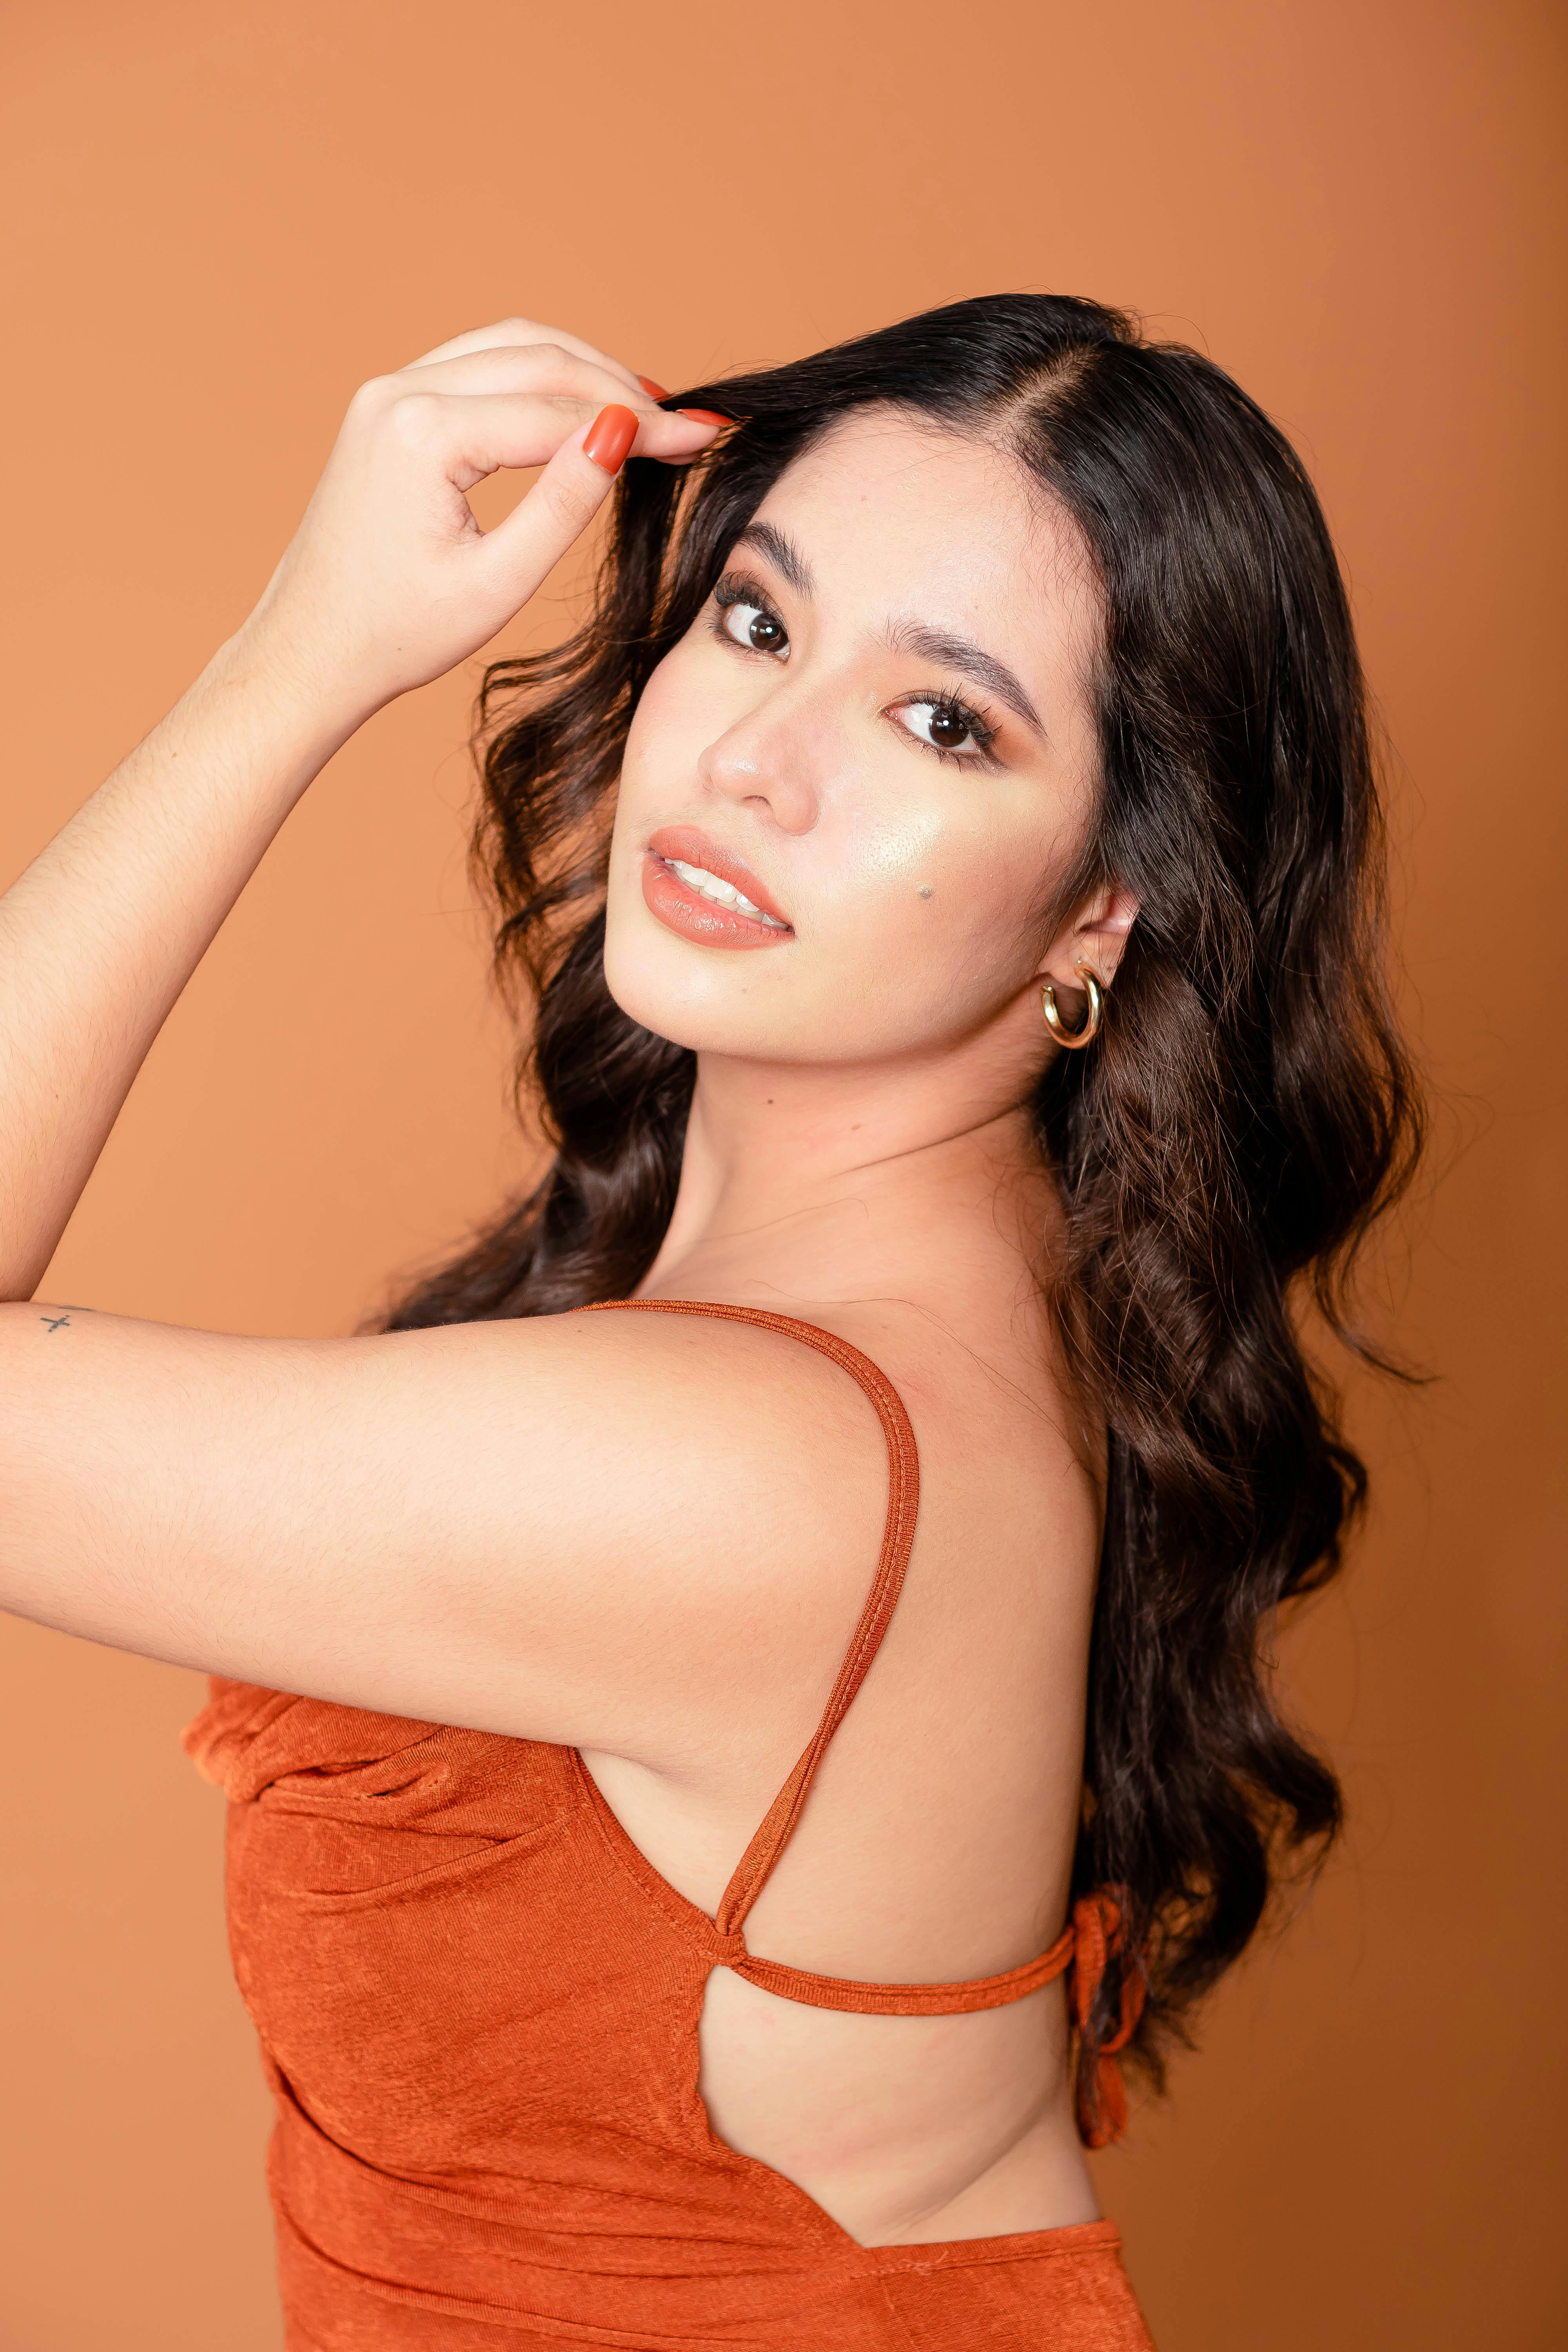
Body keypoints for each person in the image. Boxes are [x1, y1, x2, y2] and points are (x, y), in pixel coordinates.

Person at [0, 293, 1421, 2348]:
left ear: (1110, 902)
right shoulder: (969, 1307)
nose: (756, 760)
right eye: (757, 622)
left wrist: (298, 654)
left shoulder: (762, 1470)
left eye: (945, 722)